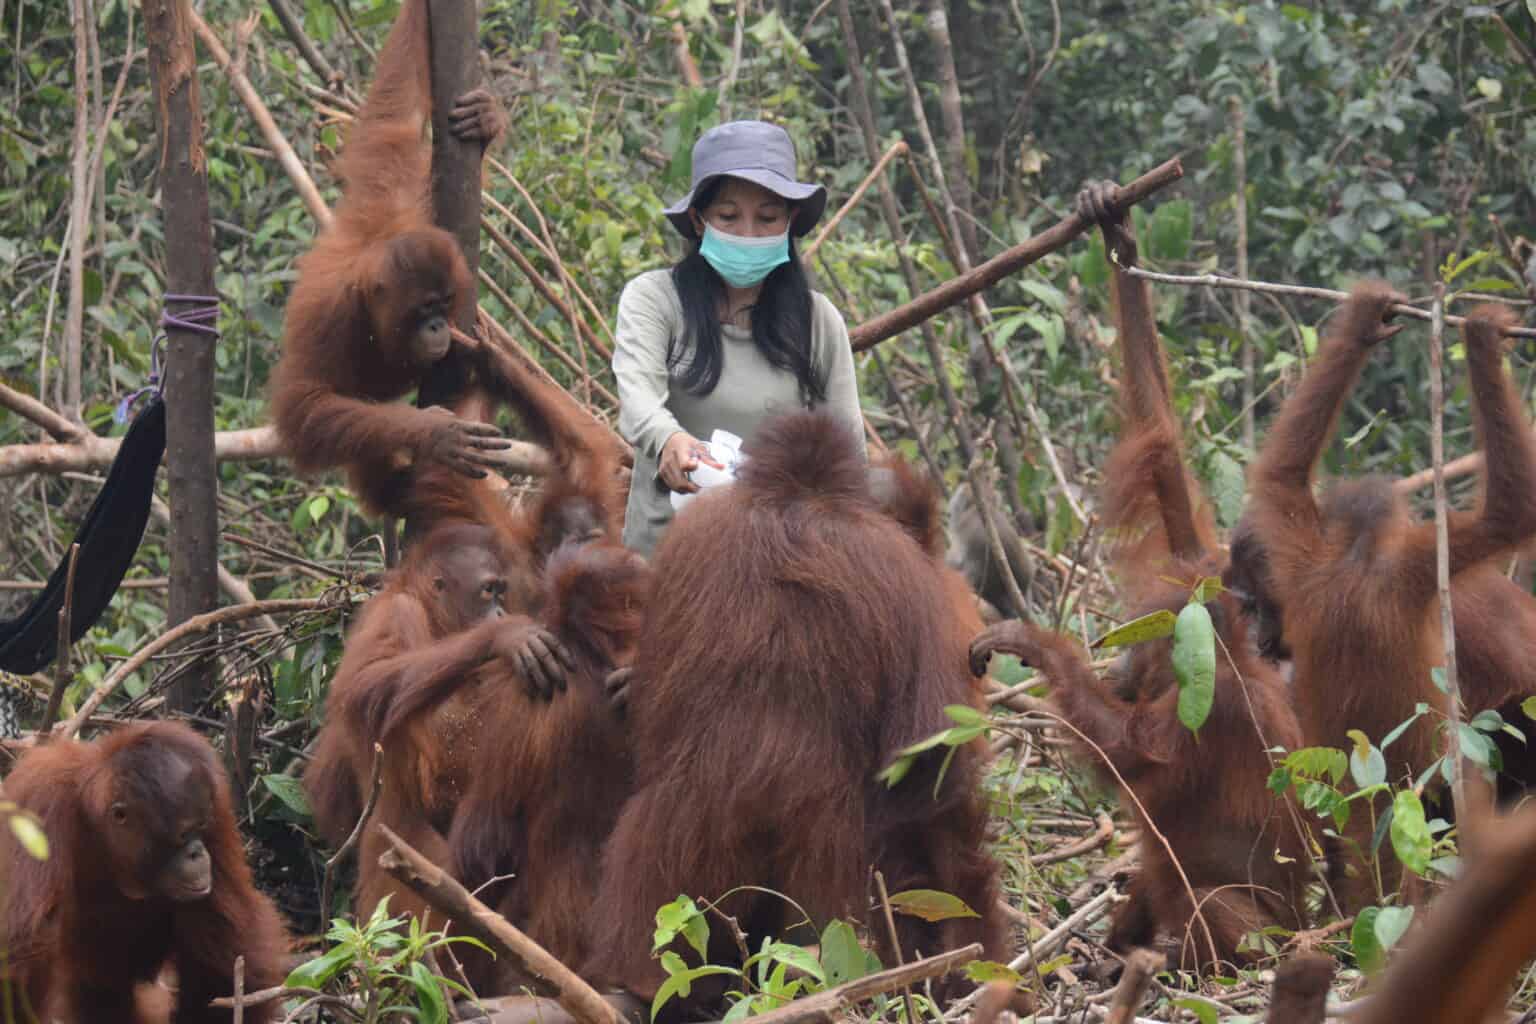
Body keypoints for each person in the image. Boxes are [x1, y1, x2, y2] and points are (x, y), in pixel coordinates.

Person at [613, 120, 865, 556]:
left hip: (778, 558)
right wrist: (670, 442)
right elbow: (638, 401)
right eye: (728, 217)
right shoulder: (654, 300)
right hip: (666, 556)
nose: (748, 235)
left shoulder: (818, 321)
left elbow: (846, 451)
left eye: (767, 218)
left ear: (790, 223)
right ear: (698, 220)